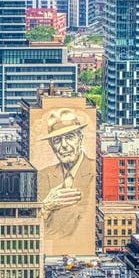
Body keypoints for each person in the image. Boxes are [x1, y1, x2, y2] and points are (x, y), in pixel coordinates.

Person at [38, 107, 95, 256]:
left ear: (80, 139)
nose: (63, 145)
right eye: (57, 140)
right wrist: (45, 207)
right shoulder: (42, 176)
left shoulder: (95, 171)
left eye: (69, 137)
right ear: (51, 146)